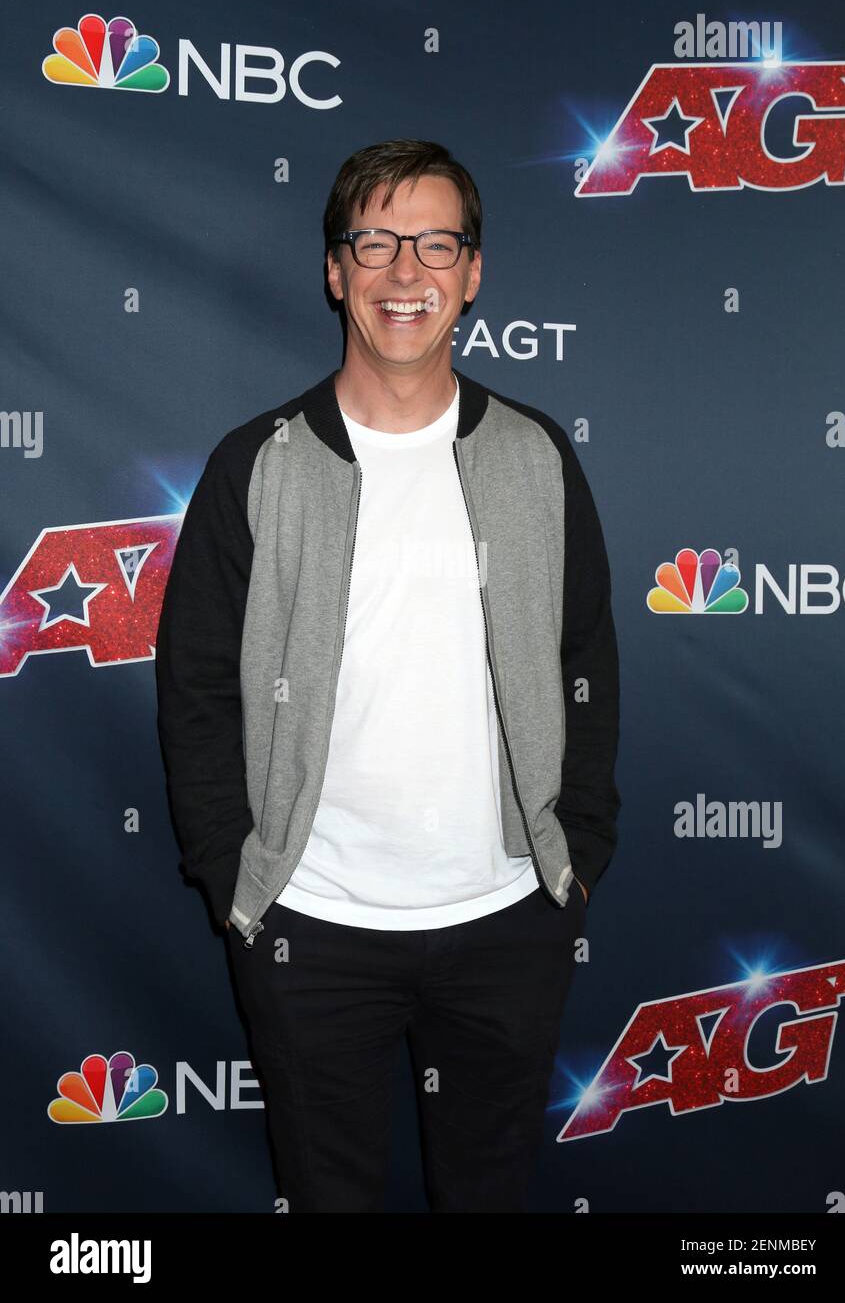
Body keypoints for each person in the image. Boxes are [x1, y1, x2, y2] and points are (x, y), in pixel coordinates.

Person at [155, 138, 621, 1212]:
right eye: (374, 240)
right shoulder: (255, 464)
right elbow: (196, 688)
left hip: (507, 919)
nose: (403, 272)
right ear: (334, 270)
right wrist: (237, 876)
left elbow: (584, 658)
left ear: (471, 272)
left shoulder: (537, 456)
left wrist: (576, 848)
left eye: (434, 243)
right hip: (310, 927)